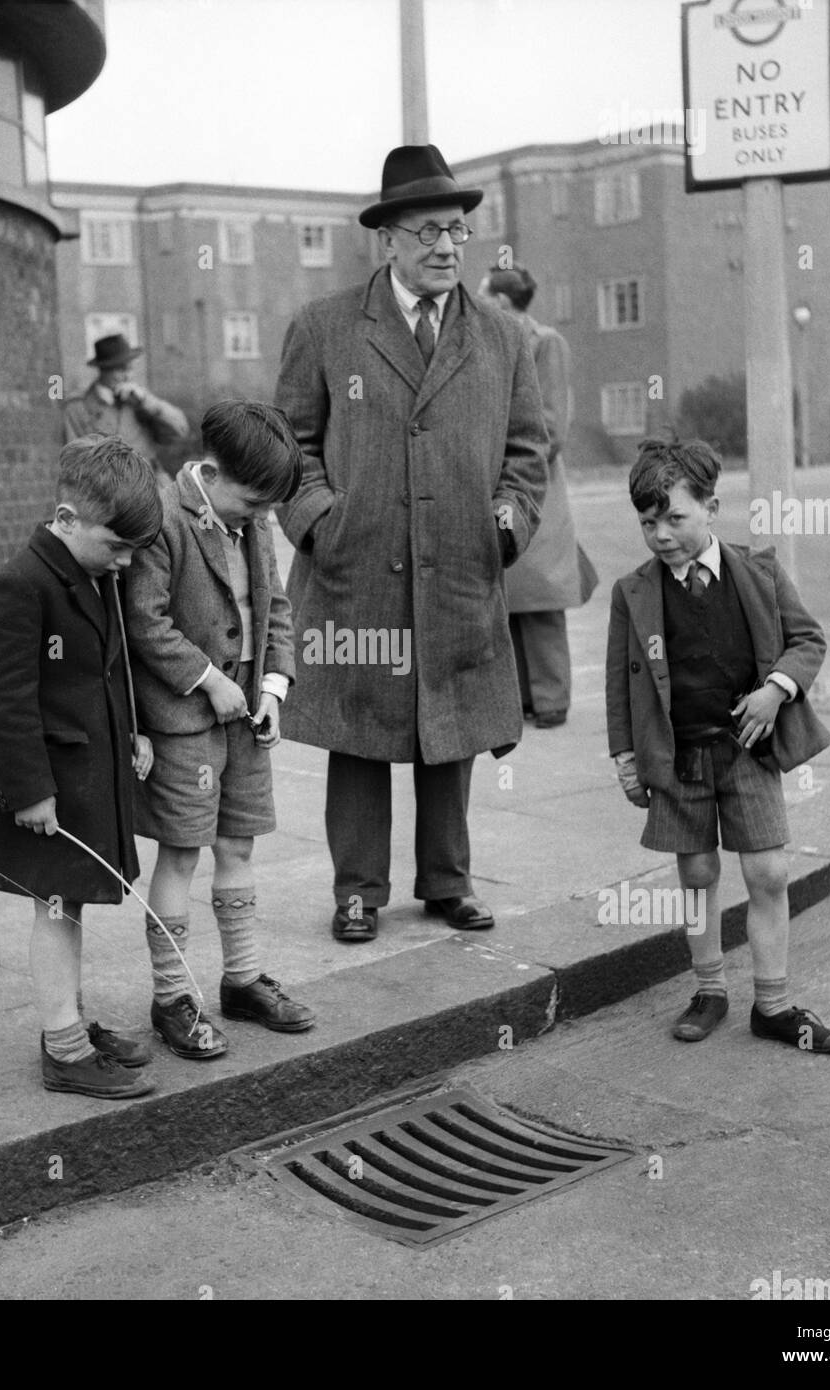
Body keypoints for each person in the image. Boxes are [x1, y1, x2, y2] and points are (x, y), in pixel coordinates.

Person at [275, 144, 549, 944]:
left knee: (451, 720)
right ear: (387, 239)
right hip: (354, 570)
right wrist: (323, 521)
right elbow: (289, 446)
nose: (445, 247)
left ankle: (446, 882)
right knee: (358, 731)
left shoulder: (501, 337)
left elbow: (528, 452)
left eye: (457, 231)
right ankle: (357, 890)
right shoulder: (325, 327)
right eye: (427, 230)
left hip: (461, 562)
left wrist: (508, 521)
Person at [605, 438, 830, 1052]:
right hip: (678, 757)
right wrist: (626, 759)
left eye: (675, 518)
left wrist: (776, 689)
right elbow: (619, 683)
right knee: (696, 873)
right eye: (647, 522)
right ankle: (709, 989)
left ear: (711, 508)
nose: (661, 535)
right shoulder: (633, 593)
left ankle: (774, 1004)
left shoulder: (760, 573)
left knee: (768, 871)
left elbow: (808, 640)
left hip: (747, 750)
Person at [0, 434, 164, 1098]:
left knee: (70, 903)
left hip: (87, 773)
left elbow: (112, 667)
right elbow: (2, 699)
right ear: (68, 518)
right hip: (44, 786)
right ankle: (64, 1051)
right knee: (54, 907)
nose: (126, 560)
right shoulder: (18, 586)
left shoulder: (92, 571)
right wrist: (28, 791)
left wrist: (132, 732)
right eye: (116, 544)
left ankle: (68, 1023)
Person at [125, 399, 315, 1059]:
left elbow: (278, 606)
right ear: (211, 471)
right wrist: (210, 680)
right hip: (185, 718)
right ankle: (173, 997)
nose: (261, 517)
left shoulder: (255, 520)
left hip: (245, 712)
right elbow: (146, 622)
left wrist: (272, 688)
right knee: (180, 854)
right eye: (254, 501)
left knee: (238, 848)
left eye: (269, 508)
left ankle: (242, 978)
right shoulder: (162, 518)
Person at [478, 266, 590, 728]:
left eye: (483, 294)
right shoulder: (494, 340)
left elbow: (552, 424)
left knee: (539, 597)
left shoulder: (545, 342)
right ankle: (525, 695)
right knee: (513, 597)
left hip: (533, 484)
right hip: (499, 481)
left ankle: (551, 698)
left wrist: (511, 460)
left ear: (502, 301)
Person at [63, 333, 189, 481]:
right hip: (107, 492)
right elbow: (73, 461)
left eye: (130, 369)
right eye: (121, 370)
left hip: (150, 486)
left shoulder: (140, 400)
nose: (128, 376)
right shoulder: (78, 408)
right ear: (104, 370)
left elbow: (180, 430)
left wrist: (145, 401)